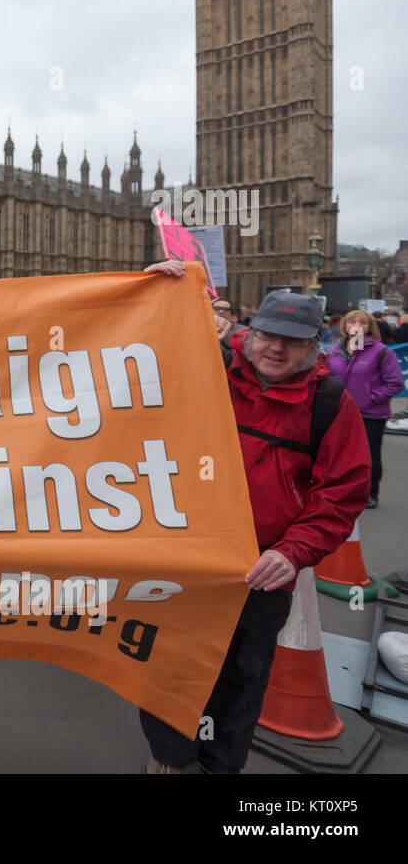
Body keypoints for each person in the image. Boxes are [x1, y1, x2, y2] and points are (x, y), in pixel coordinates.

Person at [140, 261, 370, 774]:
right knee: (168, 666)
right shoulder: (209, 371)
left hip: (261, 568)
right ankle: (169, 761)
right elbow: (134, 354)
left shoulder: (331, 404)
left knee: (241, 678)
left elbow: (341, 493)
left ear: (313, 345)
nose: (276, 348)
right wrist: (157, 289)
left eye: (292, 341)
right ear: (252, 333)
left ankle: (220, 766)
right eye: (268, 334)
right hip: (187, 556)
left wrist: (294, 552)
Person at [326, 309, 402, 509]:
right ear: (344, 325)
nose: (357, 325)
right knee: (338, 455)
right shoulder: (334, 351)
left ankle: (370, 493)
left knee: (369, 457)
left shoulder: (381, 352)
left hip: (370, 415)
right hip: (338, 413)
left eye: (363, 322)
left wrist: (371, 399)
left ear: (370, 327)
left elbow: (394, 383)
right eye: (352, 321)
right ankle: (342, 491)